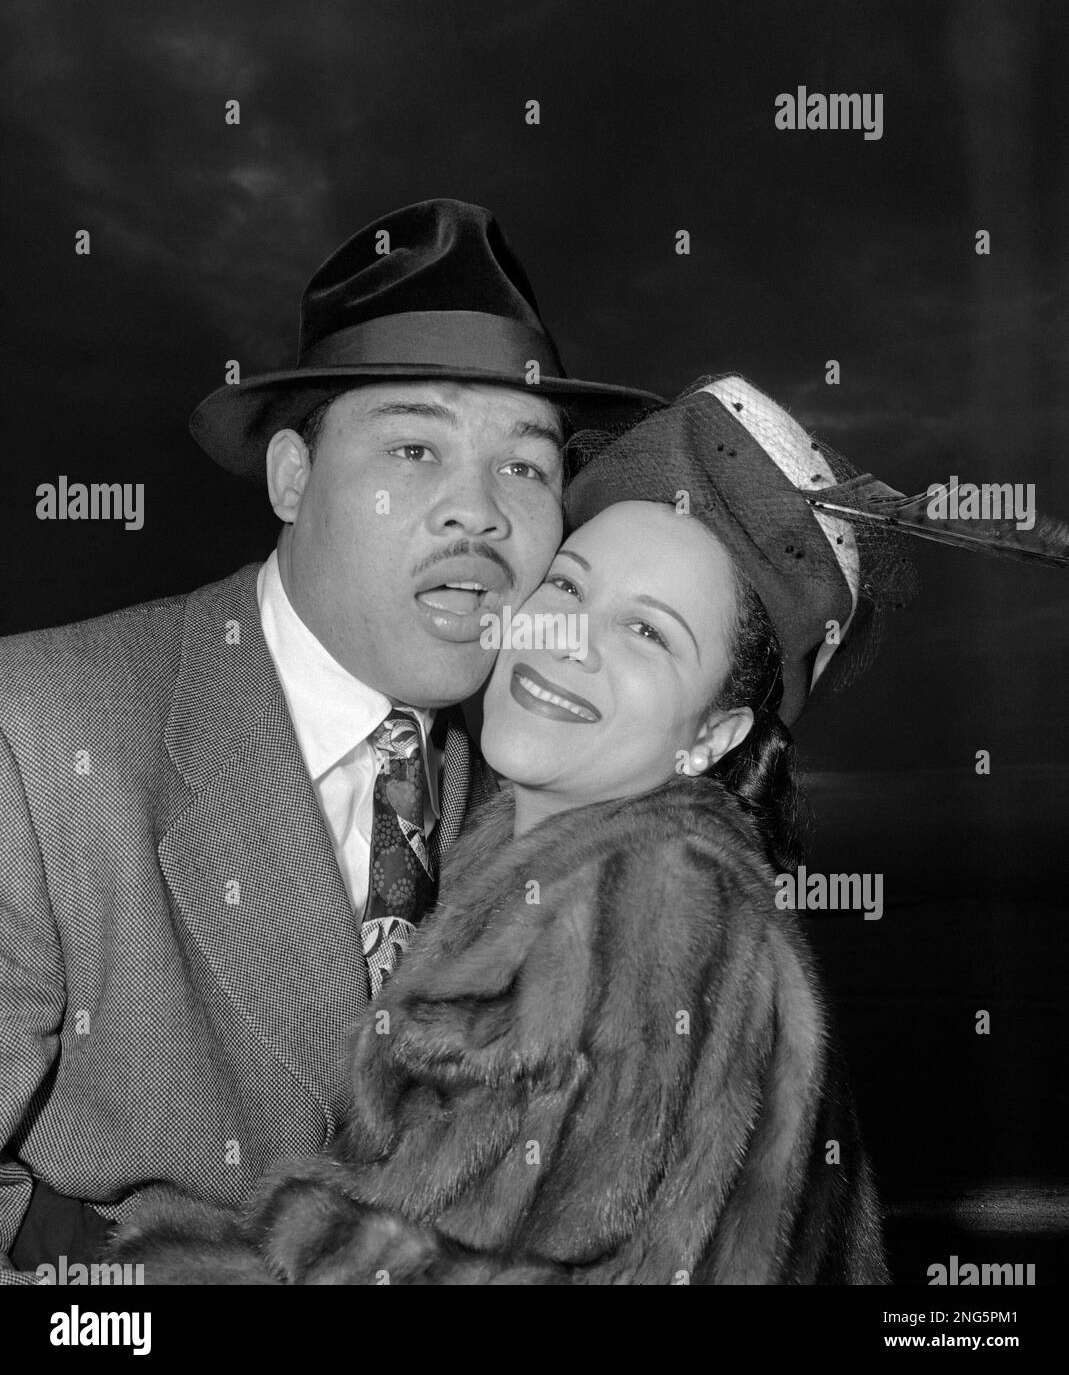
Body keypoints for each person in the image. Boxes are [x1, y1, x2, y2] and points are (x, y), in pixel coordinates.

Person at [107, 375, 904, 1285]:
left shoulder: (649, 904)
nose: (569, 640)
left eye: (648, 634)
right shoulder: (516, 852)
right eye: (567, 585)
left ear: (713, 735)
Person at [0, 199, 660, 1283]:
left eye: (528, 465)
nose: (481, 513)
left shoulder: (543, 788)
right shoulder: (33, 737)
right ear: (293, 479)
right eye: (414, 444)